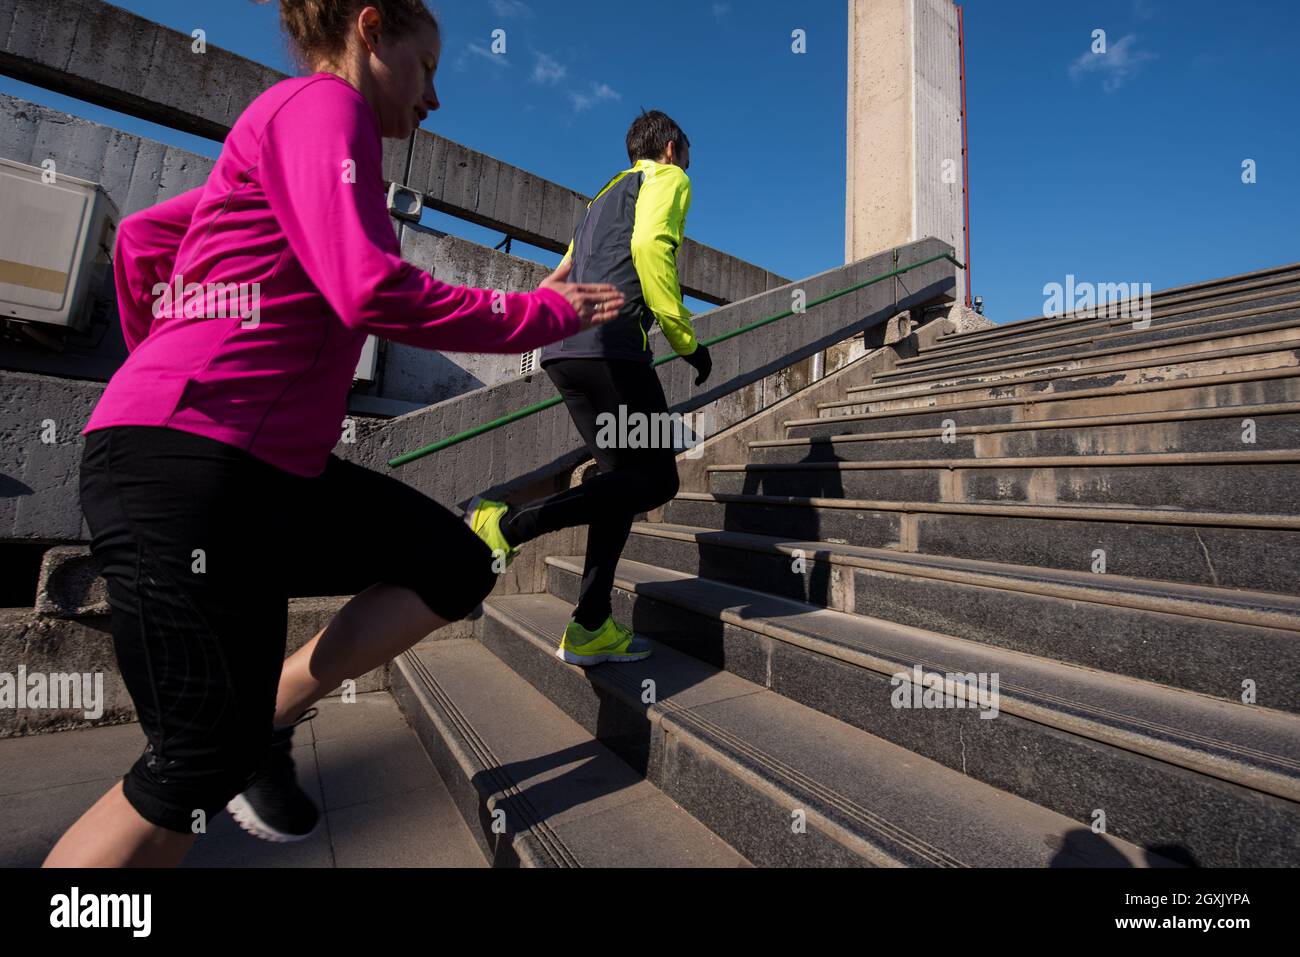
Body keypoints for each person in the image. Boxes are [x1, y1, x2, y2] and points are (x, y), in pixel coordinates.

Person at [42, 0, 624, 866]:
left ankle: (270, 716)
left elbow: (139, 240)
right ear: (369, 30)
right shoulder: (325, 107)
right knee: (189, 772)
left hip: (259, 470)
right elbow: (366, 289)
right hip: (194, 464)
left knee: (454, 561)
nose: (435, 99)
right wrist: (539, 313)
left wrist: (156, 360)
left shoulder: (294, 142)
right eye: (426, 68)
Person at [465, 109, 711, 666]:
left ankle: (591, 624)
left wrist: (529, 329)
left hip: (565, 351)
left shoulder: (601, 198)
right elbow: (652, 248)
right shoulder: (667, 178)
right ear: (670, 148)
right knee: (657, 478)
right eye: (689, 153)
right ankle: (505, 522)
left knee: (619, 482)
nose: (691, 163)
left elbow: (559, 276)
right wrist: (685, 339)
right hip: (611, 347)